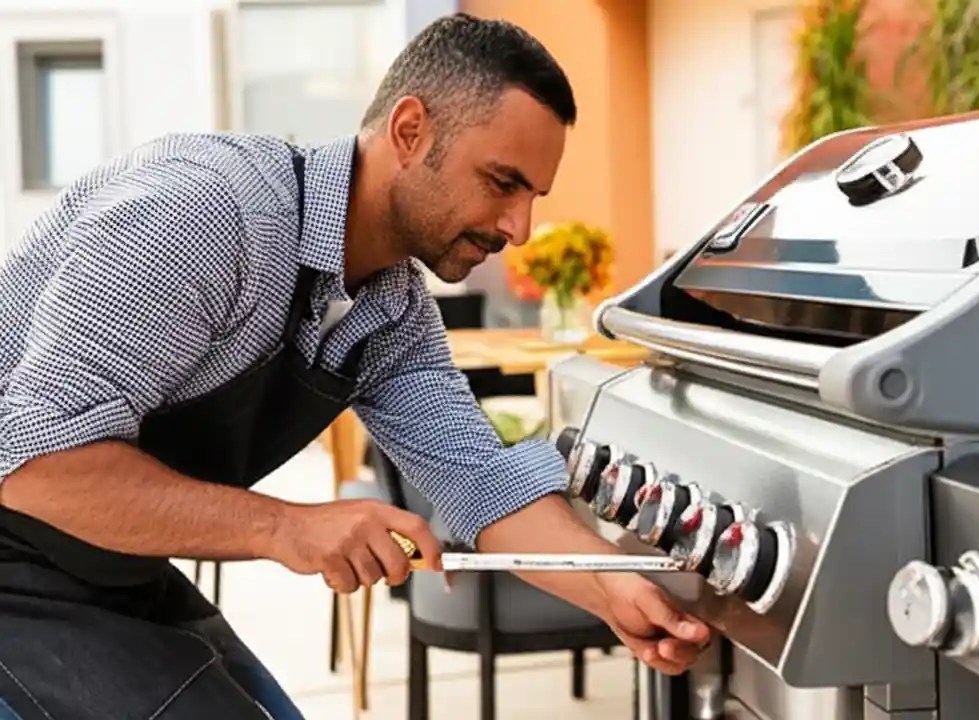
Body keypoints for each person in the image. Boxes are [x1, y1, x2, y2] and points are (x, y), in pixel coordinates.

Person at [0, 13, 710, 719]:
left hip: (102, 564)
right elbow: (31, 462)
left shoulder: (391, 309)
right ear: (409, 131)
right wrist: (287, 527)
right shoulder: (203, 214)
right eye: (501, 182)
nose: (518, 229)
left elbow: (482, 482)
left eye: (533, 198)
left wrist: (612, 585)